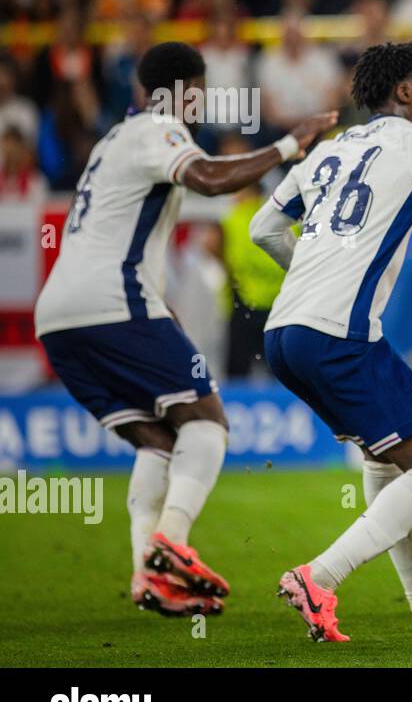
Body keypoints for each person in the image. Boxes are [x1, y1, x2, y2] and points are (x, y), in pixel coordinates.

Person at [35, 41, 336, 617]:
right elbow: (209, 179)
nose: (201, 104)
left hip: (63, 319)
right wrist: (290, 143)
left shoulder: (113, 140)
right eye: (200, 92)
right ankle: (171, 540)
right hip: (109, 304)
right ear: (185, 91)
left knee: (159, 439)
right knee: (208, 421)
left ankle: (149, 576)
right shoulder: (159, 128)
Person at [249, 43, 412, 642]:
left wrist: (313, 273)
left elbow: (264, 227)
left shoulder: (331, 151)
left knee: (385, 455)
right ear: (404, 94)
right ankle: (320, 576)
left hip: (286, 331)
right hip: (339, 334)